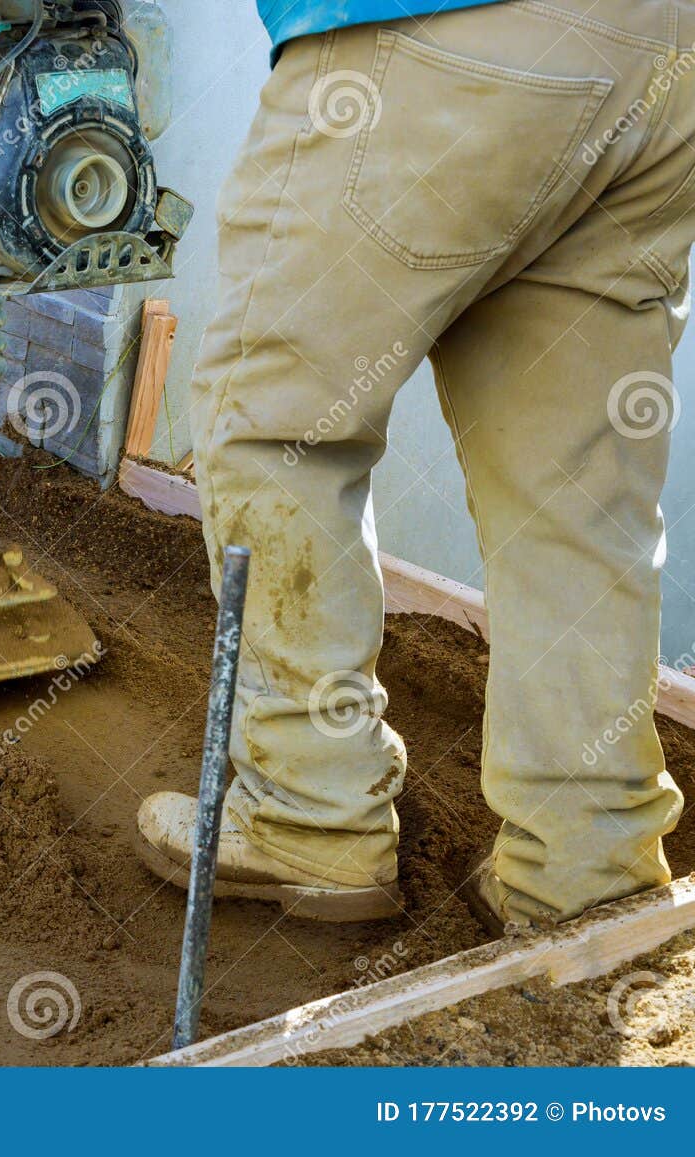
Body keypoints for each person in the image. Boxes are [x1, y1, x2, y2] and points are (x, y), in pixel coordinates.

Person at [135, 0, 689, 929]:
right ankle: (585, 868)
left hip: (446, 33)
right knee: (576, 499)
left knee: (273, 425)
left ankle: (309, 814)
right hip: (667, 57)